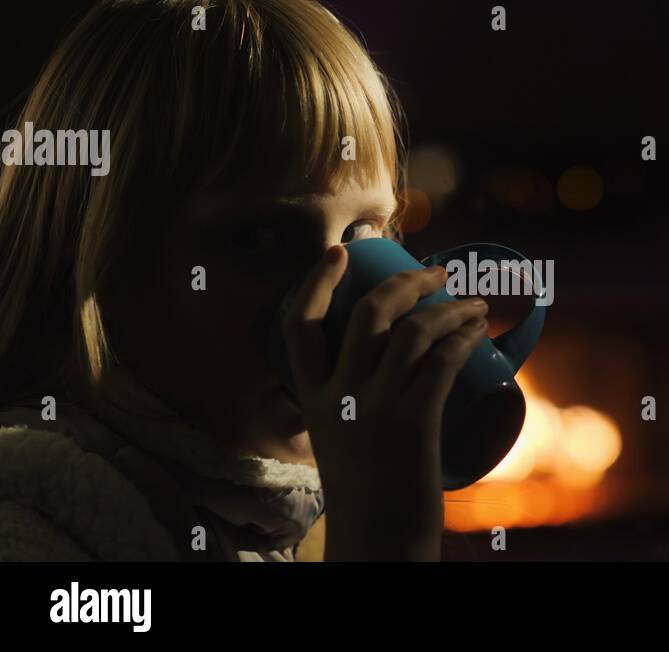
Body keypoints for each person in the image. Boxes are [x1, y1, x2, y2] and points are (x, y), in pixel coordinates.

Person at [0, 0, 488, 561]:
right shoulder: (33, 531)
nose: (329, 294)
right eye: (260, 237)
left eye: (364, 230)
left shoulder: (290, 518)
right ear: (99, 258)